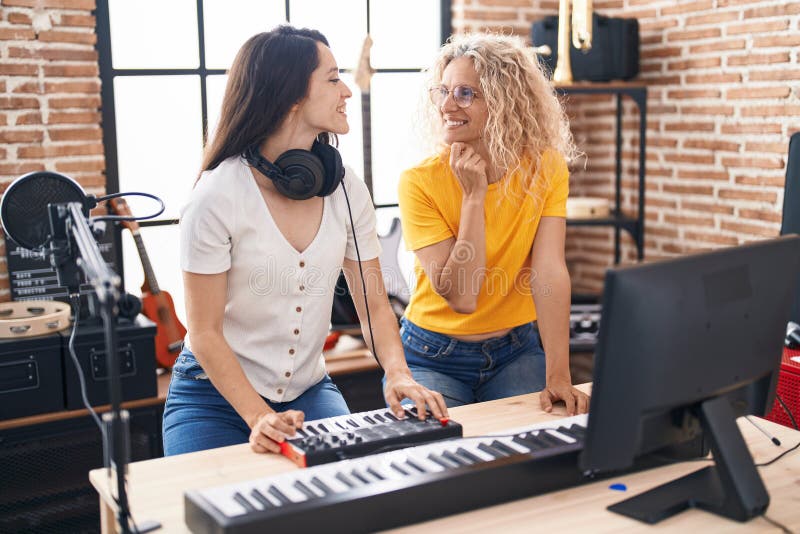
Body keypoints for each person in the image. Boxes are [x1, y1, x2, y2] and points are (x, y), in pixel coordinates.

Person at [163, 26, 447, 456]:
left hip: (310, 393)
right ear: (291, 94)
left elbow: (372, 306)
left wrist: (398, 373)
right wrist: (259, 417)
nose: (346, 90)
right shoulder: (216, 195)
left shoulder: (347, 189)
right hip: (212, 399)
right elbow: (203, 332)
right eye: (333, 79)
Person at [397, 33, 590, 413]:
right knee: (443, 461)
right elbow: (462, 296)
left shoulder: (545, 166)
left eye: (465, 94)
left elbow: (548, 271)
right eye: (443, 91)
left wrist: (559, 374)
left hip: (516, 351)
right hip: (432, 354)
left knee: (534, 455)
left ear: (504, 104)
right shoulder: (419, 181)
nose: (447, 105)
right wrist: (474, 197)